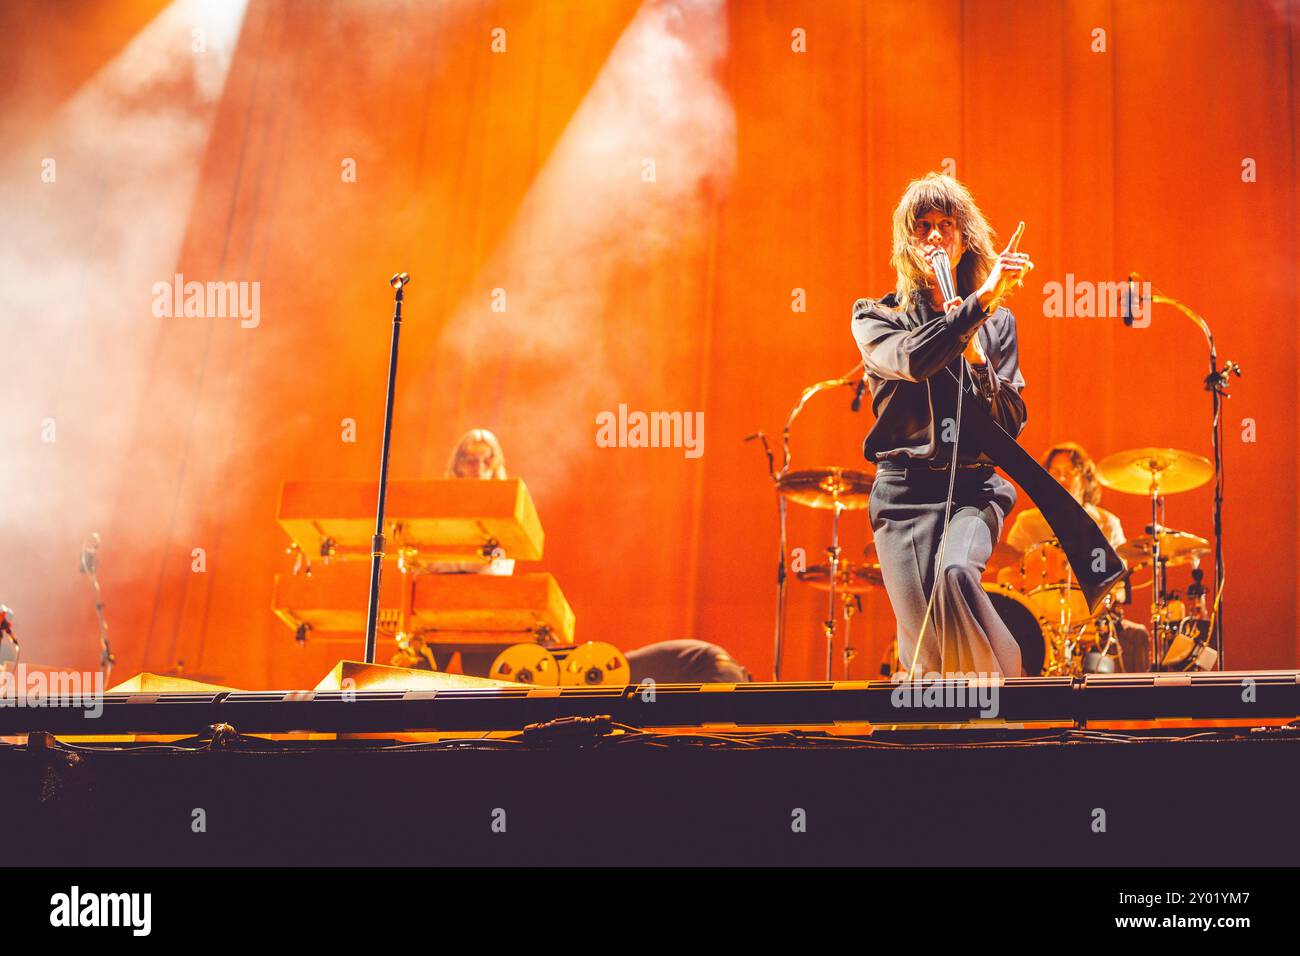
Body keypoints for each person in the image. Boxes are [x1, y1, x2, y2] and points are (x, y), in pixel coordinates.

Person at [852, 172, 1033, 678]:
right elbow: (912, 361)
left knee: (956, 574)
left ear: (963, 239)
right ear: (906, 244)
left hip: (975, 489)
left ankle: (1004, 701)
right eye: (922, 226)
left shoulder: (998, 323)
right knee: (927, 650)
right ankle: (946, 732)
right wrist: (974, 311)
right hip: (904, 495)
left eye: (946, 226)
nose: (934, 236)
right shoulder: (875, 317)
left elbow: (1012, 422)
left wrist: (977, 352)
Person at [1007, 442, 1151, 671]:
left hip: (1094, 620)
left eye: (1068, 472)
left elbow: (1120, 584)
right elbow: (1008, 569)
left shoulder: (1107, 523)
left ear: (1085, 478)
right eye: (1054, 473)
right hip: (1037, 619)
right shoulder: (1028, 522)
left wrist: (1114, 597)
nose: (1061, 478)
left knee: (1136, 637)